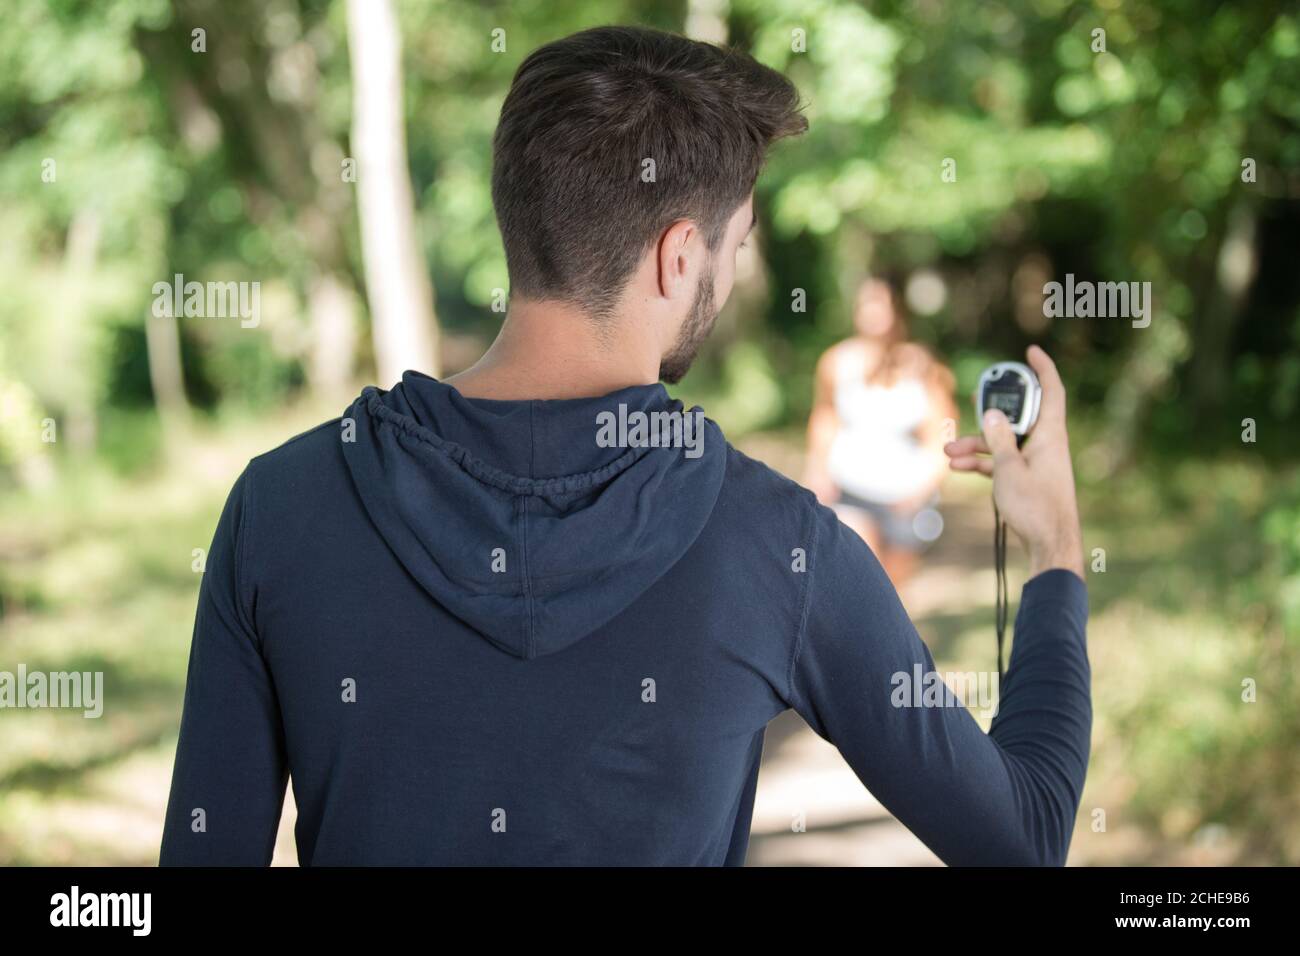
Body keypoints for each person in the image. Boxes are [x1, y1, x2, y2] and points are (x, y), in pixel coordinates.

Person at [160, 26, 1090, 866]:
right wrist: (1053, 547)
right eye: (735, 247)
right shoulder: (784, 550)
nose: (733, 273)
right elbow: (1024, 834)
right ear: (679, 257)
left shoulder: (278, 508)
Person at [804, 278, 958, 587]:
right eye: (866, 304)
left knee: (892, 590)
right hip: (851, 491)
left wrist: (923, 489)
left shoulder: (923, 367)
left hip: (904, 497)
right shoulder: (837, 361)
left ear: (898, 311)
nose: (873, 313)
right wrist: (817, 470)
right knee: (861, 578)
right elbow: (825, 417)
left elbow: (941, 433)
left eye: (881, 304)